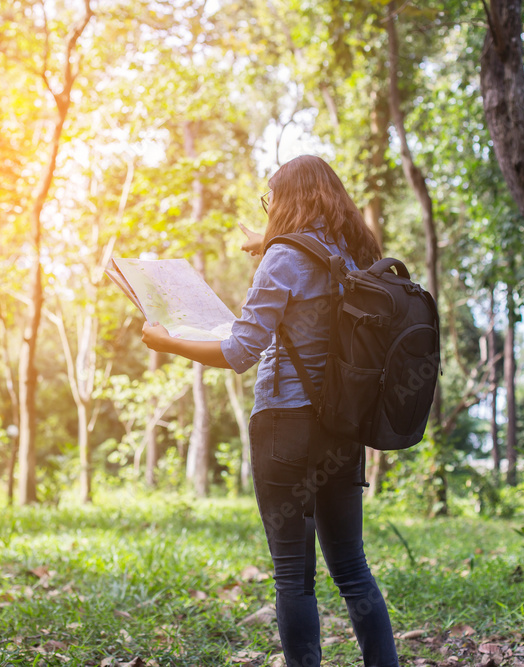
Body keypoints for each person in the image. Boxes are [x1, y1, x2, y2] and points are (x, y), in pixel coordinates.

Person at [141, 155, 399, 667]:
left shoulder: (283, 257)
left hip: (286, 425)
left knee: (293, 574)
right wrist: (267, 244)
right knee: (352, 567)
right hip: (343, 425)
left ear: (288, 200)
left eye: (271, 198)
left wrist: (169, 343)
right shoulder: (354, 253)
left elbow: (240, 351)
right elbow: (316, 278)